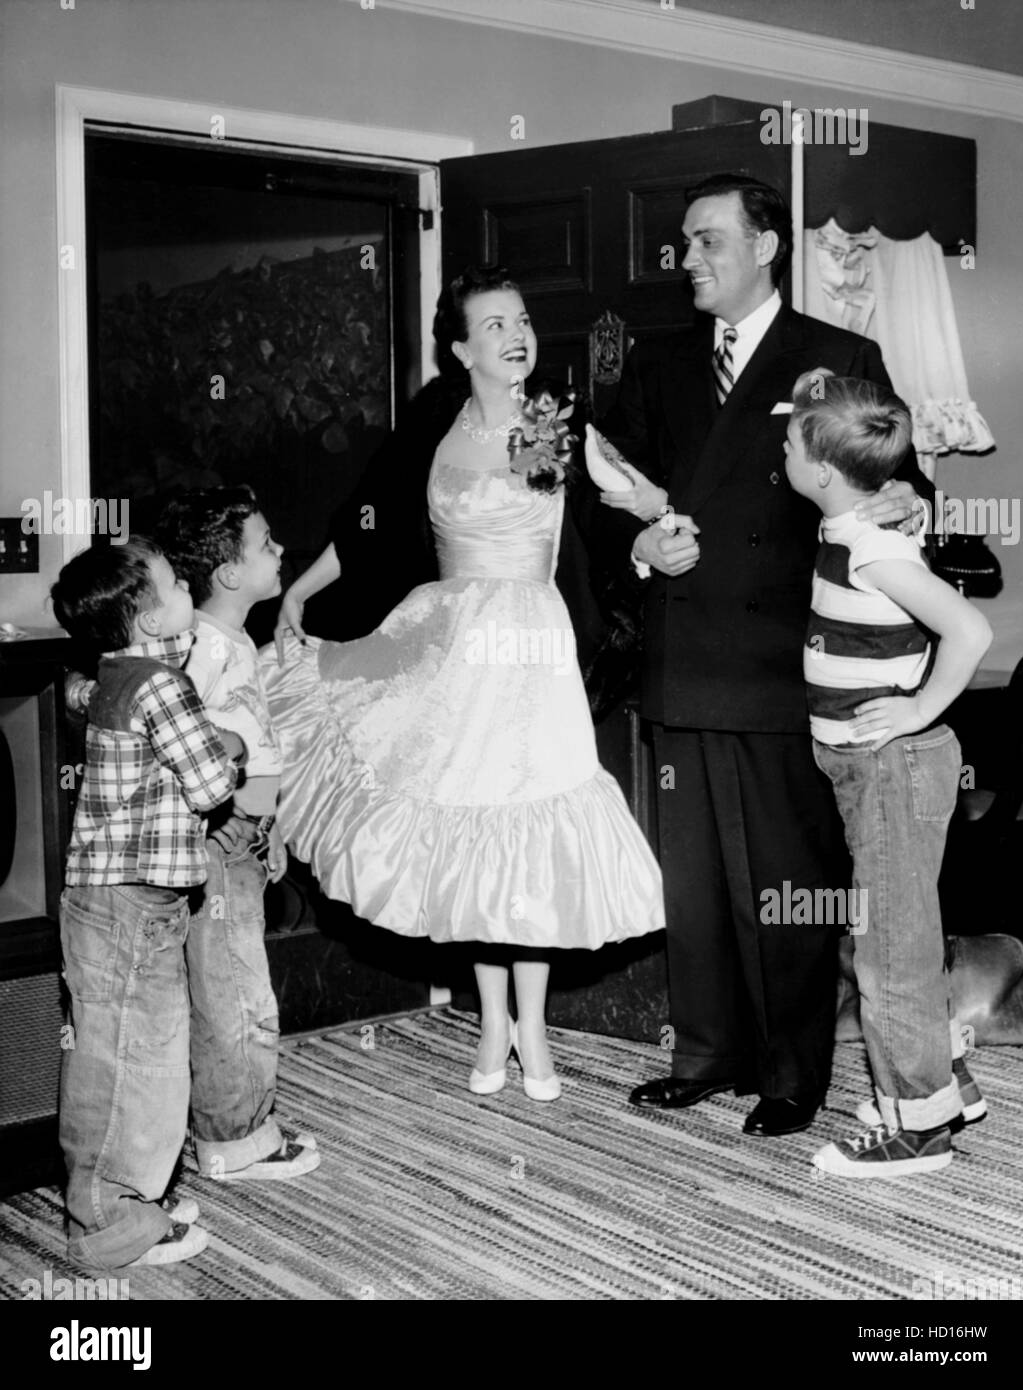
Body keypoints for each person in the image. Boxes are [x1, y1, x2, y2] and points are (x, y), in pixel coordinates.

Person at [264, 265, 664, 1099]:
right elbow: (370, 521)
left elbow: (627, 507)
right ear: (459, 349)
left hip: (531, 655)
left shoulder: (554, 423)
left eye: (521, 321)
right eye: (494, 325)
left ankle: (534, 1032)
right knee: (470, 835)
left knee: (527, 831)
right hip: (446, 652)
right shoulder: (433, 422)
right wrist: (301, 588)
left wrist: (651, 524)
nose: (516, 336)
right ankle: (491, 1027)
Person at [596, 173, 932, 1135]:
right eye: (685, 242)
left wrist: (908, 504)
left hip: (786, 666)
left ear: (766, 245)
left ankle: (791, 1072)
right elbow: (602, 490)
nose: (688, 259)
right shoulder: (659, 361)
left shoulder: (835, 355)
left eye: (708, 240)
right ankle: (706, 1053)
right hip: (683, 660)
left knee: (788, 882)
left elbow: (901, 485)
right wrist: (638, 543)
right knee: (695, 879)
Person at [783, 371, 992, 1176]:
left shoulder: (872, 546)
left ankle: (917, 1130)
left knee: (888, 952)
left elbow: (968, 631)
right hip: (868, 770)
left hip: (890, 767)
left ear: (820, 470)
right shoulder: (850, 522)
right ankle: (943, 1084)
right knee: (903, 934)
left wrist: (918, 708)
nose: (780, 451)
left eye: (789, 443)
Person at [51, 538, 242, 1268]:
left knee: (136, 1055)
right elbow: (210, 786)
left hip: (118, 901)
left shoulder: (115, 672)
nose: (189, 586)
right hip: (130, 904)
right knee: (130, 1062)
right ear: (149, 619)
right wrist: (231, 746)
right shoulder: (162, 687)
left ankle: (133, 1201)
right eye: (175, 584)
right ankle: (109, 1225)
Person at [155, 487, 321, 1181]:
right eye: (266, 544)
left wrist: (269, 827)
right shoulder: (201, 647)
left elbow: (254, 742)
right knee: (234, 993)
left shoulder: (233, 641)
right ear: (228, 573)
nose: (280, 551)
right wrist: (224, 829)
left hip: (243, 833)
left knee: (239, 984)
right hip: (217, 840)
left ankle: (236, 1124)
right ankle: (235, 1138)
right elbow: (180, 736)